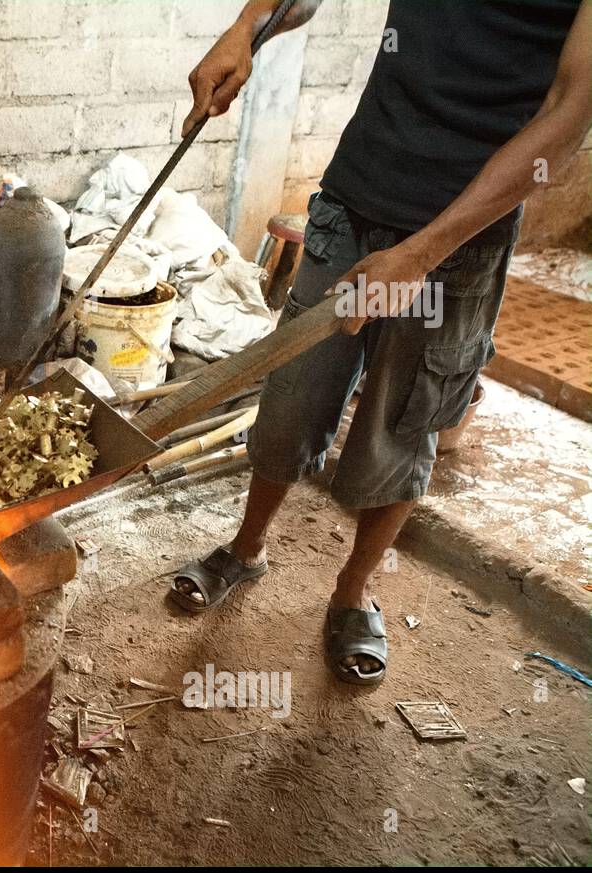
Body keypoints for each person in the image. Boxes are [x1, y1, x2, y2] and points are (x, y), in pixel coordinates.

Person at [170, 0, 592, 685]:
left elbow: (569, 119)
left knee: (404, 424)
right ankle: (245, 549)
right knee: (290, 402)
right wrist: (247, 28)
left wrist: (422, 253)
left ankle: (352, 592)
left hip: (461, 242)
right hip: (351, 203)